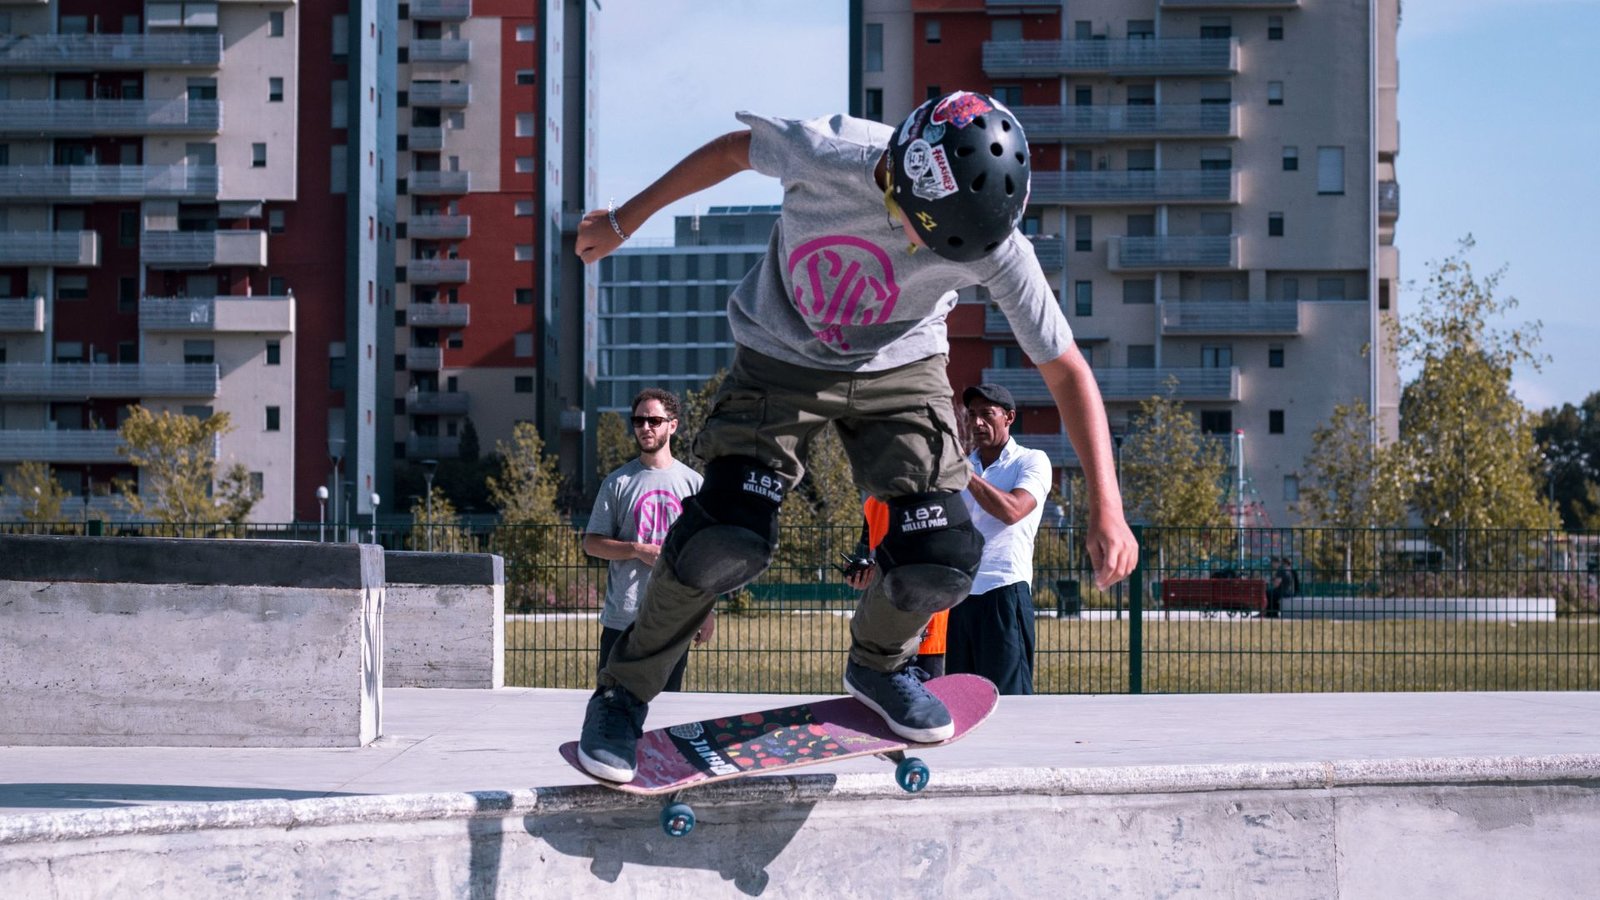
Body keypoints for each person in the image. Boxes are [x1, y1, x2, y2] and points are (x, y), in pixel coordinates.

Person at [572, 90, 1138, 783]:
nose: (913, 250)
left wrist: (1109, 506)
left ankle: (878, 664)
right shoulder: (828, 150)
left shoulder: (996, 242)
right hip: (780, 358)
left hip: (902, 369)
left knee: (943, 552)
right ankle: (622, 693)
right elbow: (727, 152)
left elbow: (1067, 369)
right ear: (897, 180)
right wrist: (625, 220)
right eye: (915, 230)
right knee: (726, 536)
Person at [583, 388, 710, 693]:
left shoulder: (694, 484)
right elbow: (592, 543)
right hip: (622, 621)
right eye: (639, 421)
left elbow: (703, 559)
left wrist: (706, 611)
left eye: (654, 420)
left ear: (673, 425)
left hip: (672, 622)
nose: (645, 428)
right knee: (612, 708)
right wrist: (637, 550)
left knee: (665, 714)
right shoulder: (617, 482)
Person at [947, 383, 1052, 695]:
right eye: (973, 415)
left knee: (1009, 698)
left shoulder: (1031, 461)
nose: (977, 422)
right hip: (960, 597)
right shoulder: (962, 467)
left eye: (987, 414)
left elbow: (1013, 510)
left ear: (1009, 417)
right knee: (961, 699)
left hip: (1004, 590)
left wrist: (965, 475)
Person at [842, 496, 948, 678]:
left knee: (928, 693)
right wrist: (861, 575)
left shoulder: (932, 497)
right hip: (884, 622)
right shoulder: (873, 504)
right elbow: (870, 556)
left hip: (925, 619)